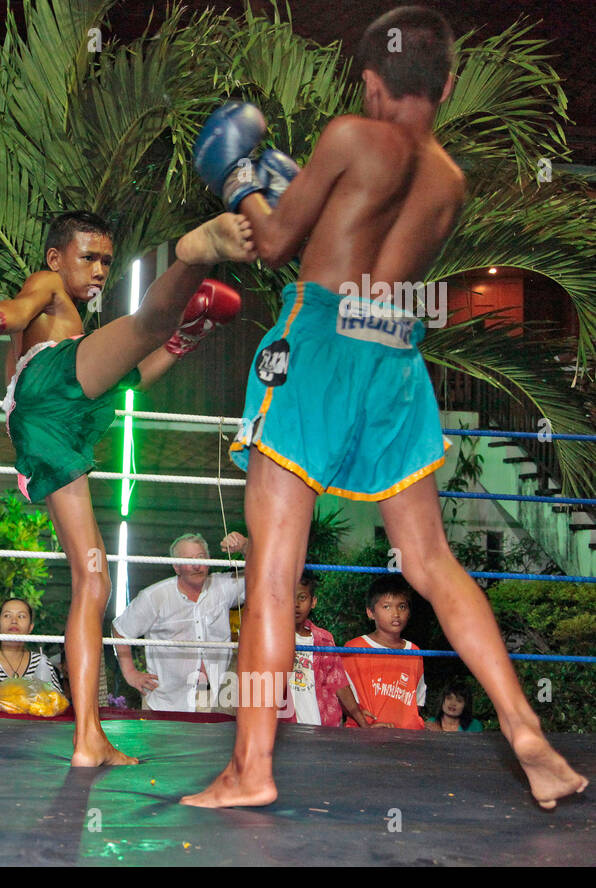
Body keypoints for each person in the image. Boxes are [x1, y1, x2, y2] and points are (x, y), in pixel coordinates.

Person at [182, 6, 585, 808]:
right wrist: (294, 187)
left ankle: (250, 770)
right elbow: (368, 243)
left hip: (322, 343)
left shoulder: (350, 137)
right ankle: (524, 729)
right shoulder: (449, 180)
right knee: (432, 561)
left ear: (369, 81)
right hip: (397, 354)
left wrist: (241, 180)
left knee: (272, 571)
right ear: (449, 82)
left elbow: (276, 242)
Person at [0, 209, 254, 765]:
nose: (101, 269)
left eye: (107, 259)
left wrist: (183, 342)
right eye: (90, 257)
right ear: (57, 257)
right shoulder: (50, 287)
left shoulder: (84, 339)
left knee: (94, 577)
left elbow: (130, 379)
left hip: (63, 424)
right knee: (148, 325)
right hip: (50, 394)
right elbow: (20, 309)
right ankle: (190, 253)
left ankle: (88, 738)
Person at [112, 532, 248, 713]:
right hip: (166, 702)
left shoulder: (222, 587)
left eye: (201, 558)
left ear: (209, 560)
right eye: (188, 559)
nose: (196, 565)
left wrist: (245, 547)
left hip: (214, 700)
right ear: (176, 567)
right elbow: (121, 629)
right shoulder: (154, 596)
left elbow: (264, 577)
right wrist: (130, 673)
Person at [339, 577, 427, 731]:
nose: (396, 614)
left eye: (402, 606)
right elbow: (340, 693)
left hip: (407, 738)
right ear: (370, 612)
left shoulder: (414, 651)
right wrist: (359, 717)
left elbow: (417, 700)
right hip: (365, 735)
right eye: (387, 607)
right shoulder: (354, 649)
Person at [283, 570, 349, 727]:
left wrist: (362, 721)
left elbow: (339, 683)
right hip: (286, 729)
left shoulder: (324, 639)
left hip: (322, 726)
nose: (296, 604)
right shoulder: (271, 638)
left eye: (302, 597)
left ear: (313, 602)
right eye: (290, 597)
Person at [0, 598, 61, 691]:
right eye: (7, 615)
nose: (14, 621)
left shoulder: (41, 663)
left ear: (31, 627)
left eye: (21, 616)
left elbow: (57, 703)